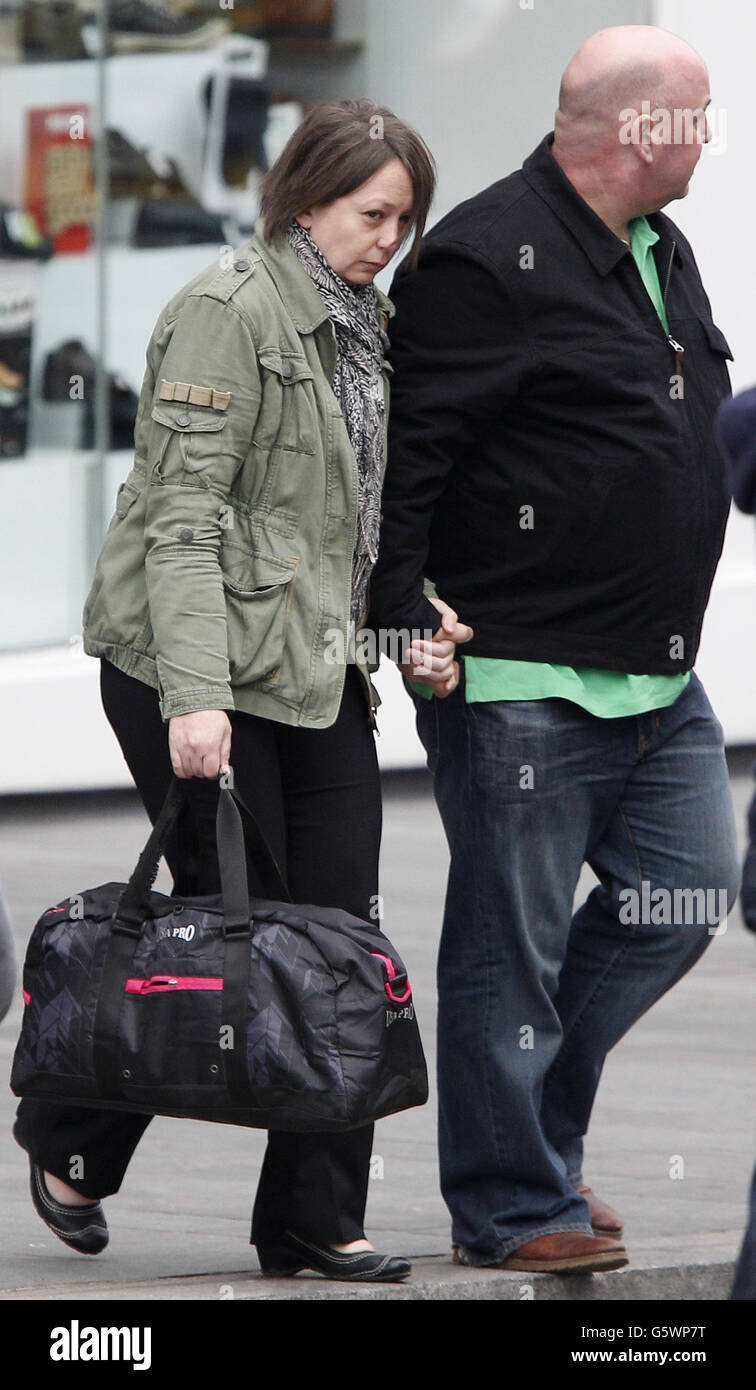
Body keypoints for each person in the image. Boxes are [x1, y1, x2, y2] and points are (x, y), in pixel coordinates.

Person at [13, 99, 436, 1284]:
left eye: (405, 219)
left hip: (312, 670)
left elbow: (343, 522)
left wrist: (408, 624)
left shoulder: (365, 324)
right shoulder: (227, 311)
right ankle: (74, 1135)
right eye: (372, 215)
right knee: (222, 923)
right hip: (189, 671)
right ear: (306, 198)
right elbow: (183, 525)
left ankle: (308, 1218)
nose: (388, 239)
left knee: (337, 940)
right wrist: (198, 697)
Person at [368, 25, 741, 1275]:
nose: (709, 137)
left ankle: (542, 1137)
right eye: (698, 116)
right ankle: (513, 1204)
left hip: (656, 672)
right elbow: (407, 458)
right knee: (505, 944)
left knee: (683, 895)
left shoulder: (657, 246)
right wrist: (401, 617)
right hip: (522, 676)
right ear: (641, 131)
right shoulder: (484, 256)